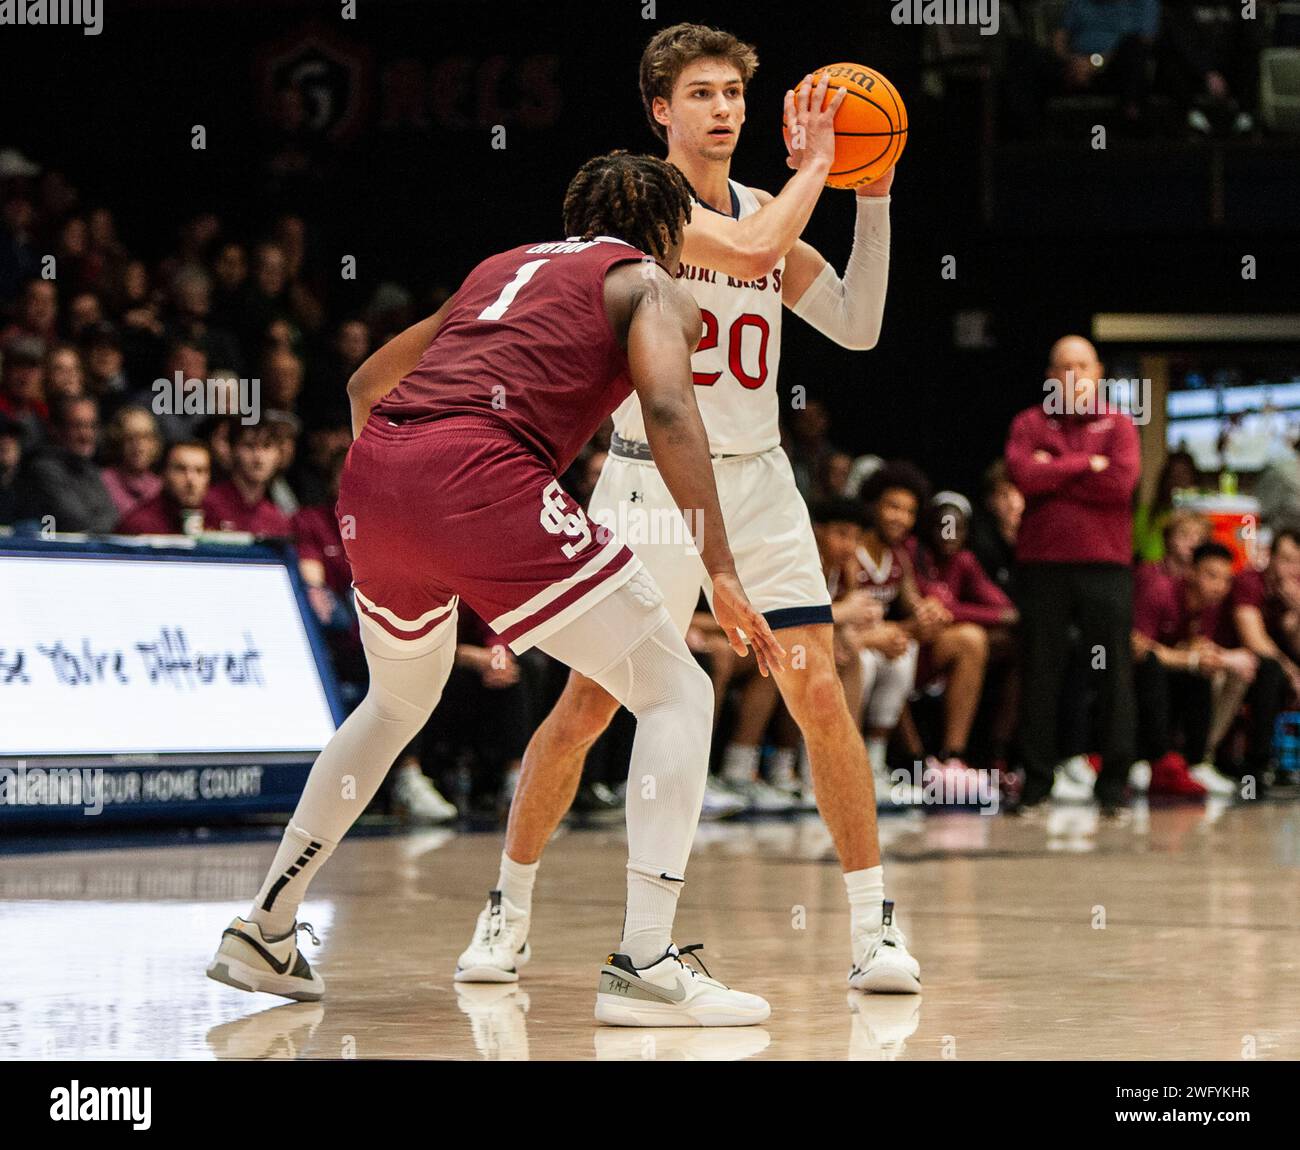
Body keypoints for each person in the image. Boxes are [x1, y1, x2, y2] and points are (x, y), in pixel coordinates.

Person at [207, 150, 783, 1027]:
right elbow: (669, 412)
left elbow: (366, 385)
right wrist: (723, 569)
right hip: (483, 472)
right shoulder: (654, 286)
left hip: (378, 474)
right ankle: (647, 962)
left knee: (394, 706)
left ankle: (266, 926)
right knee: (678, 691)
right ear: (667, 235)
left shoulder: (501, 266)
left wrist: (422, 515)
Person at [455, 23, 920, 996]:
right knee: (588, 706)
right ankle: (507, 906)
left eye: (733, 94)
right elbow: (749, 245)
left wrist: (868, 198)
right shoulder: (642, 218)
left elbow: (860, 326)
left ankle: (874, 926)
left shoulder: (768, 211)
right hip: (649, 484)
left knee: (819, 688)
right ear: (661, 111)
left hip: (756, 478)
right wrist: (823, 168)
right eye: (701, 93)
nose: (723, 110)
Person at [1005, 335, 1140, 812]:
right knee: (1040, 671)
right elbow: (1023, 476)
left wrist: (1055, 472)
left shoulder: (1120, 424)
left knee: (1112, 674)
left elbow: (1120, 485)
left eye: (1082, 366)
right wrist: (1087, 464)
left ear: (1098, 373)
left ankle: (1113, 785)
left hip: (1106, 567)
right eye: (1064, 367)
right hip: (1043, 566)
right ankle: (1037, 782)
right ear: (1050, 377)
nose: (1074, 375)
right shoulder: (1029, 423)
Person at [1131, 541, 1254, 798]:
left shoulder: (1211, 608)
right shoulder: (1160, 591)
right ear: (1191, 571)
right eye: (1211, 575)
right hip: (1137, 674)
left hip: (1176, 674)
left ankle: (1197, 761)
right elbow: (1137, 647)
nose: (1219, 586)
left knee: (1208, 673)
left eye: (1226, 579)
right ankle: (1151, 759)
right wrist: (1190, 659)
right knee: (1155, 669)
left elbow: (1197, 646)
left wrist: (1215, 658)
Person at [15, 394, 118, 533]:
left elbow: (112, 515)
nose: (86, 435)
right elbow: (75, 522)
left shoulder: (90, 469)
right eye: (77, 426)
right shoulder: (42, 469)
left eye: (91, 426)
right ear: (55, 429)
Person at [202, 417, 294, 536]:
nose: (258, 457)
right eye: (249, 446)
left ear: (279, 455)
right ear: (232, 450)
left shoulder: (277, 518)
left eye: (267, 446)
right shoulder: (208, 504)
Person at [117, 439, 212, 535]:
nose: (191, 480)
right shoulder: (138, 525)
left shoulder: (217, 518)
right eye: (180, 469)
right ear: (163, 473)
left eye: (200, 470)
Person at [100, 406, 163, 519]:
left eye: (146, 437)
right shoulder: (102, 483)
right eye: (130, 438)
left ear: (155, 442)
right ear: (117, 441)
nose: (139, 445)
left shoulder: (160, 487)